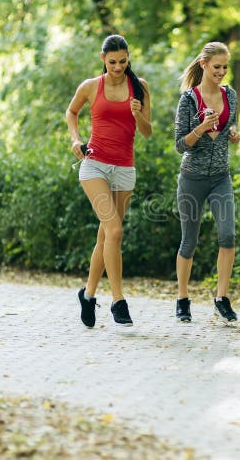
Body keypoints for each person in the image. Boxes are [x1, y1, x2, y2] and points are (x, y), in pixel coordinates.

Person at [65, 34, 152, 328]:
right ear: (103, 59)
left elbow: (148, 132)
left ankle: (88, 295)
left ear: (129, 59)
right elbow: (72, 111)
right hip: (94, 166)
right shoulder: (90, 87)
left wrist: (138, 114)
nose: (118, 66)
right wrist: (76, 139)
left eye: (123, 61)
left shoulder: (140, 89)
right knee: (115, 231)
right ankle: (118, 301)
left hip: (125, 168)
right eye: (112, 62)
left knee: (106, 237)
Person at [173, 41, 240, 323]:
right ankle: (182, 299)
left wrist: (234, 132)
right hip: (192, 179)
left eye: (225, 67)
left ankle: (221, 298)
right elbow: (180, 145)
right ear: (203, 65)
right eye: (217, 67)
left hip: (220, 178)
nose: (222, 72)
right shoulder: (189, 100)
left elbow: (231, 124)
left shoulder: (231, 95)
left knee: (228, 236)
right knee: (189, 242)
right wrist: (200, 128)